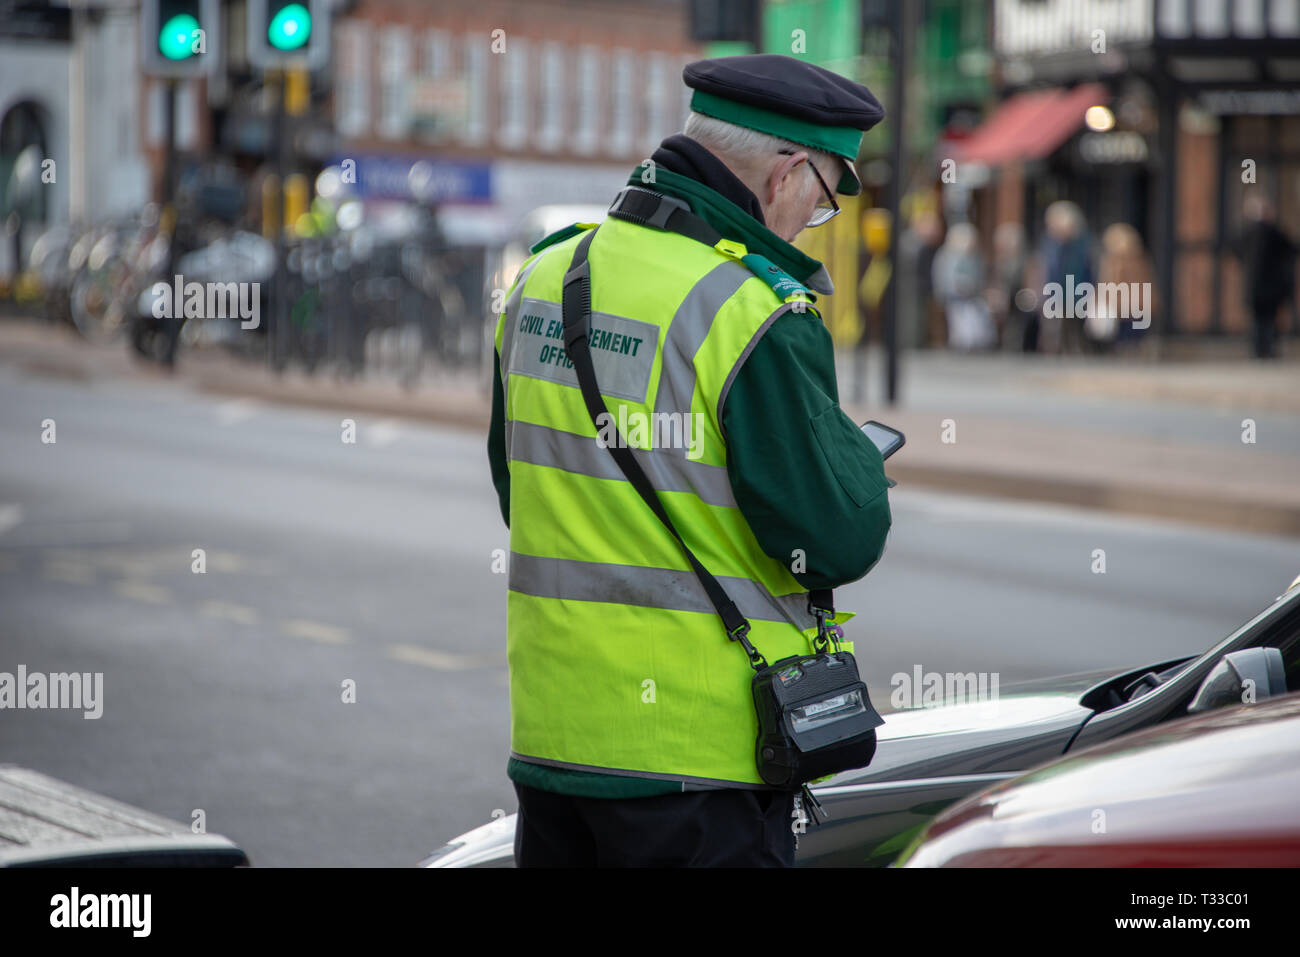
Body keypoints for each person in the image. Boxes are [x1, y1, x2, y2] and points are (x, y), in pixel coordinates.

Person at [487, 54, 893, 867]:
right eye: (822, 200)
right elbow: (836, 536)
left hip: (556, 742)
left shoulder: (543, 275)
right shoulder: (754, 311)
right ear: (787, 172)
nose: (813, 221)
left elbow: (519, 487)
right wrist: (859, 465)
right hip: (699, 763)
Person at [1232, 194, 1296, 359]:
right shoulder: (1273, 232)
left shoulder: (1247, 232)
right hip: (1271, 286)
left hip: (1252, 285)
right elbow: (1291, 249)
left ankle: (1258, 351)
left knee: (1257, 320)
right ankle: (1267, 350)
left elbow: (1235, 250)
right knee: (1269, 319)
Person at [931, 222, 994, 350]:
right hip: (954, 297)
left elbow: (980, 276)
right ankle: (961, 345)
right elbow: (944, 278)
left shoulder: (975, 257)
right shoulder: (947, 256)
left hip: (973, 296)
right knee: (960, 322)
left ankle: (978, 343)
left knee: (978, 317)